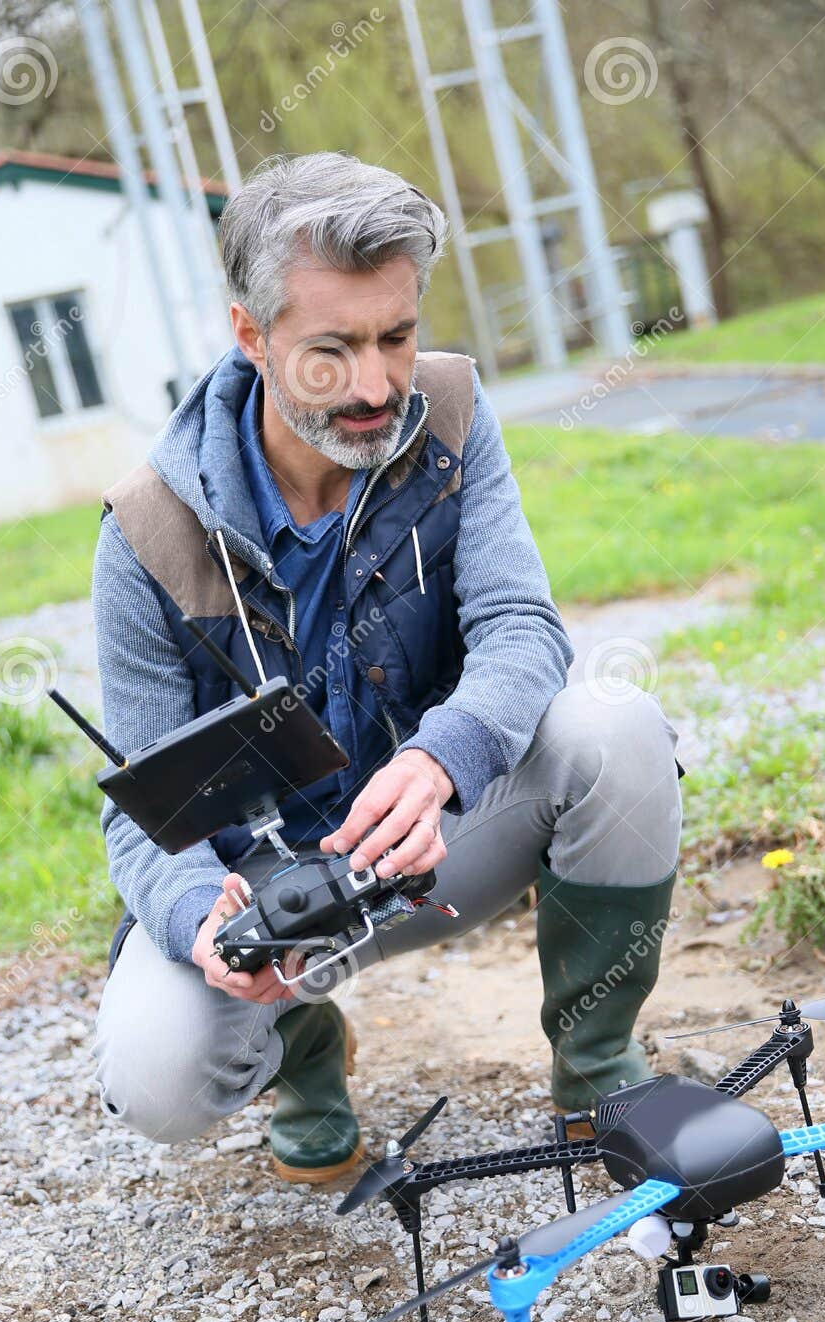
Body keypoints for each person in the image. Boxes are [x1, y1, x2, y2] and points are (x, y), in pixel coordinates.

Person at [92, 152, 681, 1184]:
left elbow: (519, 628)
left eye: (395, 337)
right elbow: (144, 812)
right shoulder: (145, 533)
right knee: (156, 1075)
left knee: (615, 724)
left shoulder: (448, 413)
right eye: (331, 350)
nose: (374, 386)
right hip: (272, 907)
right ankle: (304, 1045)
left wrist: (441, 759)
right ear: (250, 334)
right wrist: (200, 924)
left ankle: (595, 1066)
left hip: (440, 841)